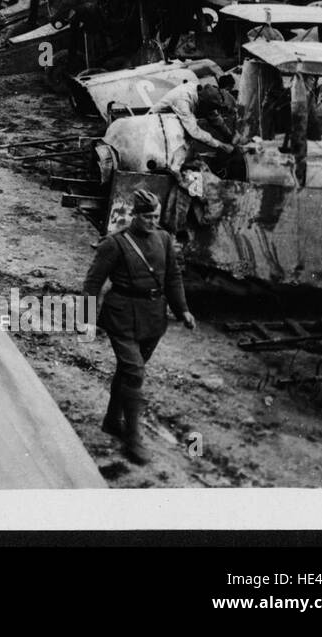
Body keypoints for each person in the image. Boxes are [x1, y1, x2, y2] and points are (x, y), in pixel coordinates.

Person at [83, 188, 195, 465]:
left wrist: (183, 310)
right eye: (146, 216)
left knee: (128, 371)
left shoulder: (164, 240)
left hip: (153, 318)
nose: (152, 221)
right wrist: (86, 320)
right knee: (134, 373)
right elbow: (92, 283)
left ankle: (112, 420)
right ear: (134, 214)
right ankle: (133, 437)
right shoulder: (116, 243)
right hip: (121, 315)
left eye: (156, 216)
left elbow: (173, 278)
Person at [149, 79, 235, 162]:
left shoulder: (202, 93)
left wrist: (231, 137)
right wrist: (221, 145)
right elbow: (194, 132)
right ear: (204, 103)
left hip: (170, 125)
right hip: (154, 128)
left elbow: (216, 120)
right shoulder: (183, 99)